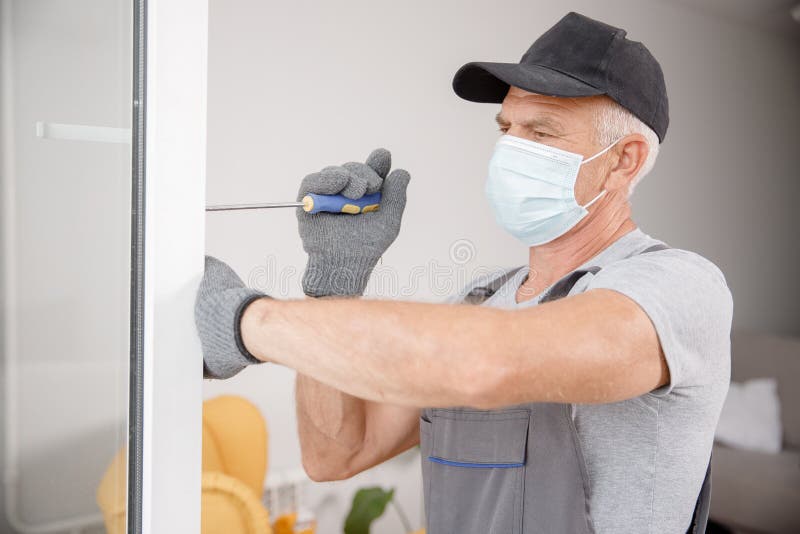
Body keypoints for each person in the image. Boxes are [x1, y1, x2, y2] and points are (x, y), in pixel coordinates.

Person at [195, 12, 732, 534]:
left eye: (541, 133)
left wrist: (248, 322)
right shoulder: (481, 300)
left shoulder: (679, 288)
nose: (511, 149)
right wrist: (334, 285)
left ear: (624, 160)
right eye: (507, 128)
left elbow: (488, 363)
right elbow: (334, 455)